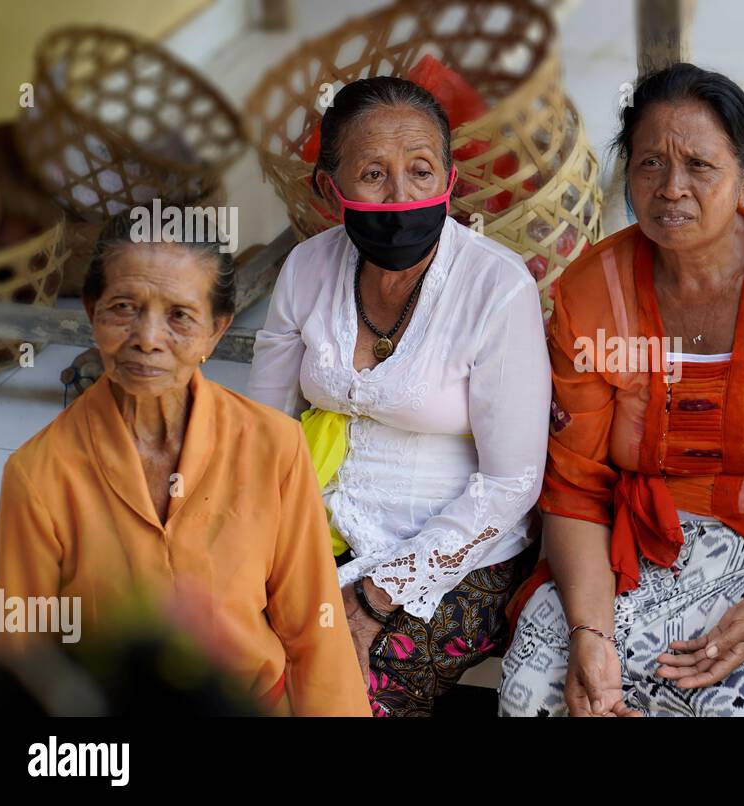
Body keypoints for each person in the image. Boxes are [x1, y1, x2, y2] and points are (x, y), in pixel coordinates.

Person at [499, 63, 744, 717]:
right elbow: (575, 487)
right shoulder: (593, 288)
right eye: (650, 164)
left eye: (699, 166)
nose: (671, 188)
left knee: (727, 706)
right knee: (538, 689)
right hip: (636, 549)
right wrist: (591, 635)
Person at [247, 76, 550, 717]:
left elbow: (512, 484)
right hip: (321, 535)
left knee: (347, 692)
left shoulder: (496, 287)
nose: (401, 195)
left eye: (419, 171)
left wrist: (371, 599)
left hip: (460, 557)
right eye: (372, 174)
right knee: (231, 657)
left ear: (449, 177)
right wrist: (267, 565)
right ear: (330, 189)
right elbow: (263, 435)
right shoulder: (306, 269)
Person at [0, 206, 369, 716]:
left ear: (217, 330)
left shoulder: (275, 447)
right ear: (91, 311)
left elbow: (314, 629)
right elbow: (24, 660)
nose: (147, 338)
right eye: (123, 307)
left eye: (179, 316)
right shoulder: (37, 475)